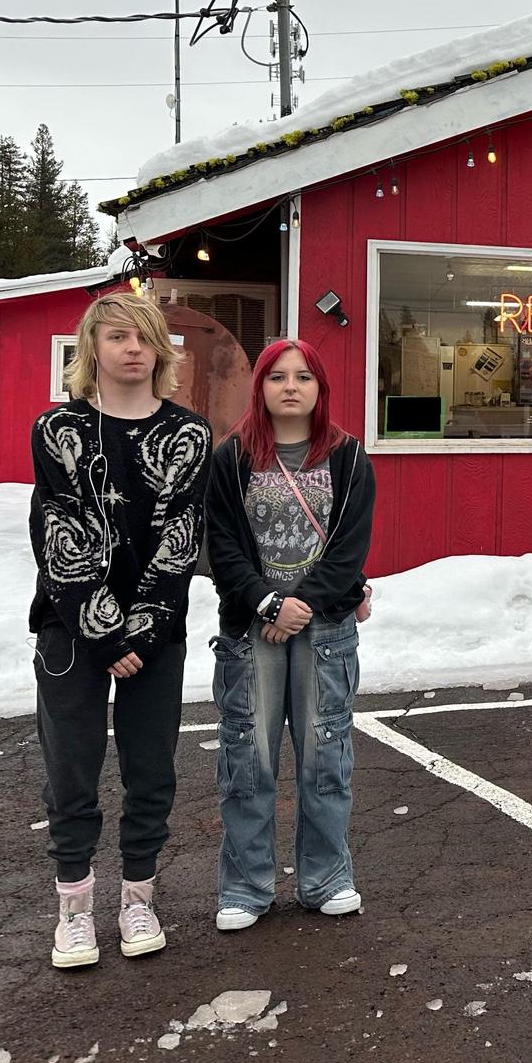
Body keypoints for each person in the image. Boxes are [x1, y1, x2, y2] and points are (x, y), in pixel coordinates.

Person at [29, 293, 210, 970]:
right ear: (92, 348)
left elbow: (180, 537)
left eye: (145, 337)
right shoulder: (58, 429)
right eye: (116, 336)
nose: (133, 348)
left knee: (151, 770)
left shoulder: (188, 433)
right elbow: (58, 528)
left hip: (156, 632)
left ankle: (138, 898)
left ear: (161, 350)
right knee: (71, 772)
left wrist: (139, 631)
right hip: (70, 628)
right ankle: (74, 908)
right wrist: (104, 634)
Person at [206, 338, 375, 931]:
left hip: (324, 630)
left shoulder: (348, 457)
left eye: (304, 377)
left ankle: (326, 878)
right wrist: (269, 603)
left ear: (320, 388)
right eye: (277, 377)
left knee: (324, 757)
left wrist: (302, 605)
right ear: (260, 387)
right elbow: (221, 545)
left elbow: (350, 547)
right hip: (251, 630)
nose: (291, 387)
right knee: (247, 759)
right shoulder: (231, 458)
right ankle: (245, 887)